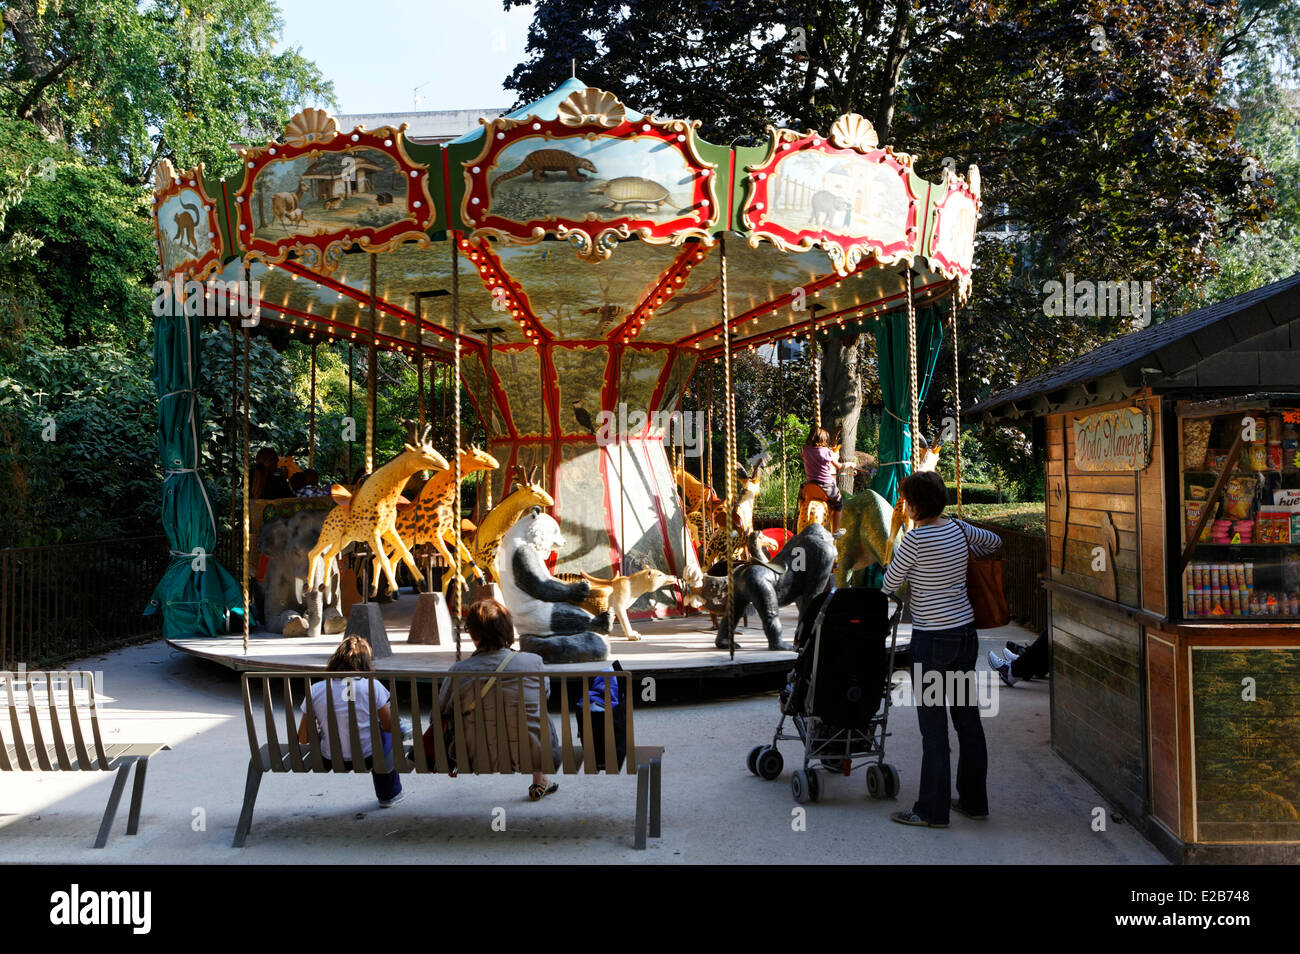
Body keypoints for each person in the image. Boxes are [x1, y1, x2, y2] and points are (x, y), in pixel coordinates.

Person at [882, 470, 1002, 828]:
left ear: (915, 505)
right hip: (964, 636)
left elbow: (890, 583)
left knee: (933, 728)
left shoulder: (914, 542)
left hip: (932, 641)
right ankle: (974, 801)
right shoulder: (960, 530)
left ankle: (931, 811)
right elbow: (994, 542)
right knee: (967, 720)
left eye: (905, 501)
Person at [433, 599, 562, 800]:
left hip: (475, 756)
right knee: (538, 716)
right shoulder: (533, 662)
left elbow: (438, 714)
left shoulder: (459, 671)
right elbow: (543, 696)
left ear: (474, 634)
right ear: (507, 630)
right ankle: (540, 778)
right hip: (528, 754)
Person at [297, 635, 403, 808]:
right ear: (365, 662)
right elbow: (390, 726)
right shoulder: (372, 686)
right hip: (368, 757)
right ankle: (388, 794)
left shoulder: (316, 690)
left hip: (329, 758)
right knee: (385, 736)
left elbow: (302, 738)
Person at [801, 426, 852, 528]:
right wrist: (850, 464)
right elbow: (839, 466)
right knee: (839, 503)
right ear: (824, 439)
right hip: (826, 487)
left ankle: (800, 511)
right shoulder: (827, 452)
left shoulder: (805, 450)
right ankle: (836, 530)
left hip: (809, 486)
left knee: (801, 496)